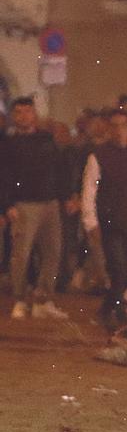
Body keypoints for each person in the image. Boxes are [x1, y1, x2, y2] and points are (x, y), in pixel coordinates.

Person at [81, 109, 127, 332]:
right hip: (110, 221)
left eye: (123, 125)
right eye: (115, 125)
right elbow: (89, 190)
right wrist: (90, 222)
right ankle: (118, 313)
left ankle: (107, 310)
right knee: (118, 269)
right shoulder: (98, 156)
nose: (119, 129)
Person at [0, 98, 70, 319]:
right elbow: (4, 176)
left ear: (34, 114)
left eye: (27, 111)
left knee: (52, 252)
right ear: (13, 116)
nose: (23, 116)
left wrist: (65, 196)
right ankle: (20, 298)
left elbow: (59, 169)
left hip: (50, 203)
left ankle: (43, 299)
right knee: (21, 254)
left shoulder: (46, 139)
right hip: (23, 204)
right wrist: (7, 204)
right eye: (19, 112)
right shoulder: (7, 143)